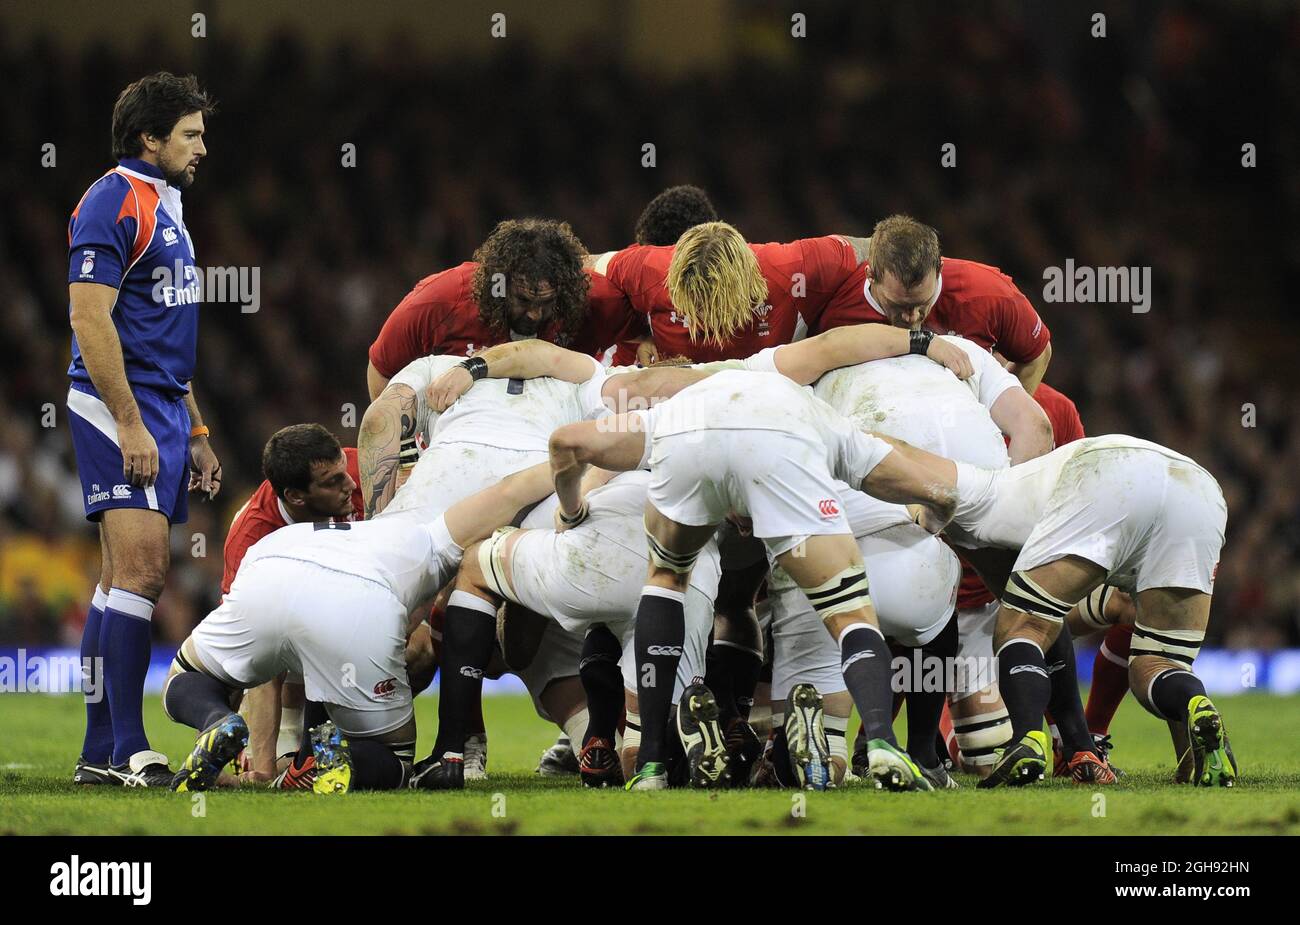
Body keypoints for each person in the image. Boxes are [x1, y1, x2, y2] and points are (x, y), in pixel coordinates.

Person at [163, 464, 556, 793]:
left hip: (270, 575)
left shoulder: (277, 533)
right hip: (358, 607)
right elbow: (509, 491)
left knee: (186, 675)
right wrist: (572, 460)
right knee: (396, 761)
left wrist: (262, 758)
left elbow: (266, 666)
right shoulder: (423, 535)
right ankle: (330, 762)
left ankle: (215, 719)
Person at [67, 72, 220, 788]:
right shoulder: (112, 199)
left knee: (117, 582)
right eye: (189, 134)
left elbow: (160, 327)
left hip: (160, 405)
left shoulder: (169, 203)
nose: (201, 147)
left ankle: (100, 753)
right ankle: (128, 747)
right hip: (116, 405)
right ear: (149, 139)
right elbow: (89, 318)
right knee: (143, 572)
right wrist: (129, 422)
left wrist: (193, 428)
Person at [365, 219, 642, 400]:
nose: (534, 314)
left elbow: (644, 334)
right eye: (523, 301)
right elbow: (382, 370)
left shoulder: (593, 299)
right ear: (497, 285)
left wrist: (646, 344)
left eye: (546, 303)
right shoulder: (439, 301)